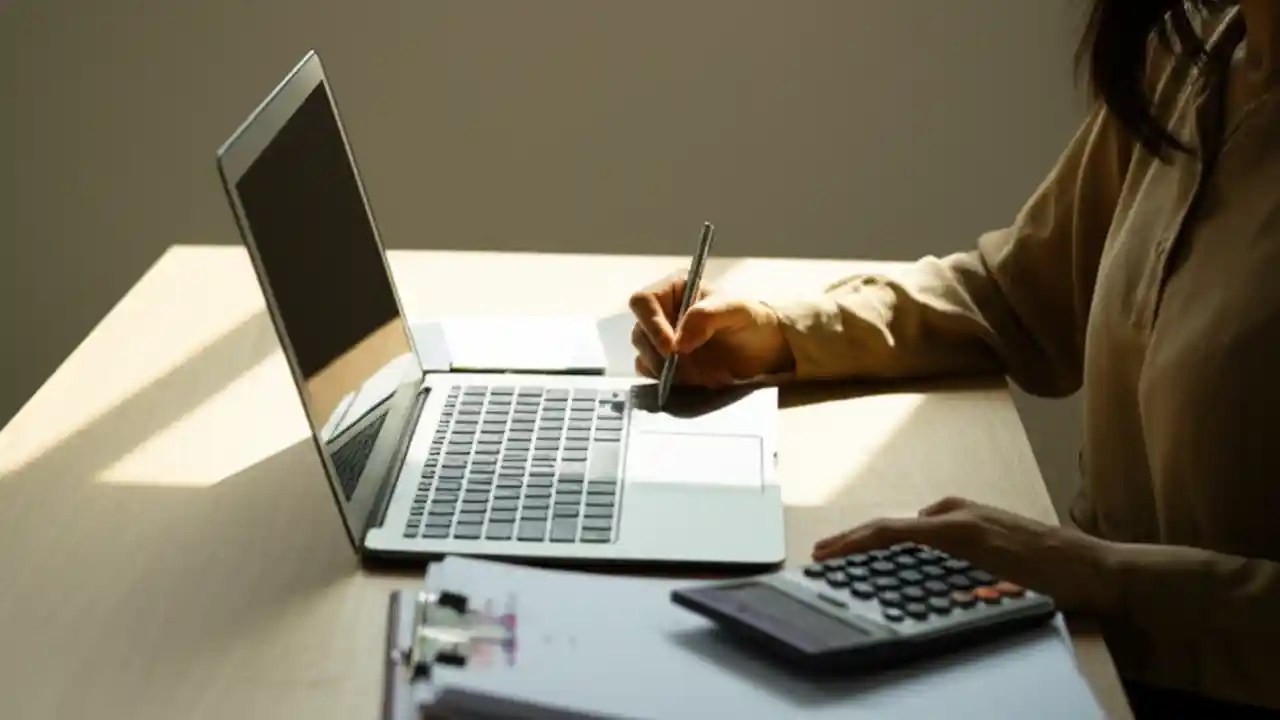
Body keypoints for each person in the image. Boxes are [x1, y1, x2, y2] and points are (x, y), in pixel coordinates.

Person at [629, 1, 1278, 715]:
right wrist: (779, 333)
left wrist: (1099, 573)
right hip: (1089, 654)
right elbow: (1014, 296)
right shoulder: (1192, 54)